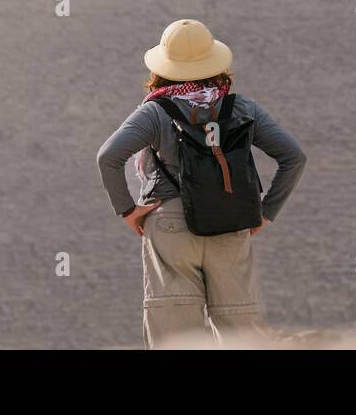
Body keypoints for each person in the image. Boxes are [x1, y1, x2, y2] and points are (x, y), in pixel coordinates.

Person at [96, 18, 307, 349]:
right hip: (231, 221)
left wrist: (128, 210)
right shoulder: (242, 108)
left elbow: (108, 157)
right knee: (241, 328)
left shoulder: (155, 112)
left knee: (177, 334)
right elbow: (294, 157)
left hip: (170, 226)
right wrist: (266, 213)